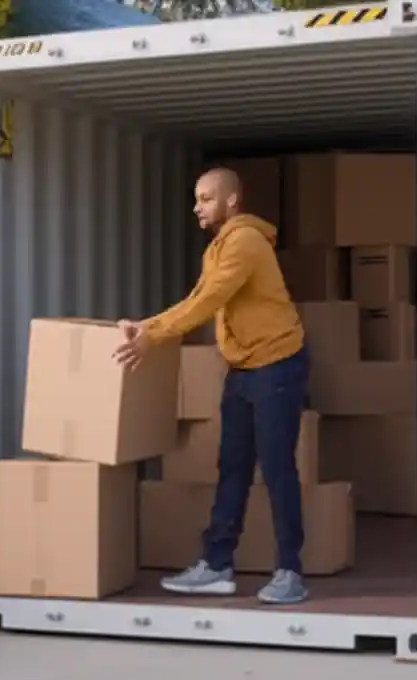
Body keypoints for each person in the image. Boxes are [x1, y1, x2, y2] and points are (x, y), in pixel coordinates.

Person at [113, 167, 310, 605]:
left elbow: (209, 301)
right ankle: (217, 565)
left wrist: (153, 337)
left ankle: (290, 571)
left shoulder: (244, 242)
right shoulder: (218, 247)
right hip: (242, 370)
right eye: (196, 198)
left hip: (276, 366)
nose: (196, 206)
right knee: (233, 468)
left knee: (277, 470)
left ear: (232, 201)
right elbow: (195, 298)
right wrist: (146, 326)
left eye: (205, 198)